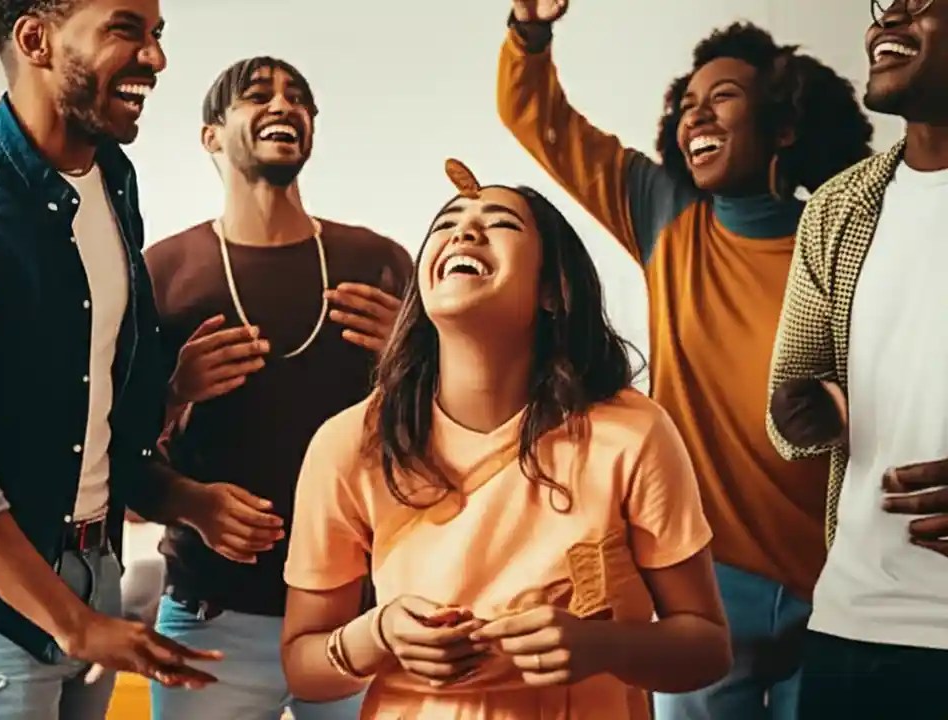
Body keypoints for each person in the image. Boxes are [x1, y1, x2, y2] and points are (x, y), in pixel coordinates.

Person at [497, 2, 874, 717]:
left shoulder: (839, 237)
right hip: (701, 583)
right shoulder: (664, 213)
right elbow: (541, 121)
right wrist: (529, 30)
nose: (695, 116)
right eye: (686, 105)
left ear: (783, 127)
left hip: (835, 581)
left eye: (722, 98)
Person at [279, 159, 731, 720]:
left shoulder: (633, 433)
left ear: (552, 290)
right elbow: (303, 665)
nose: (464, 232)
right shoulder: (350, 443)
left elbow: (708, 647)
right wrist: (378, 635)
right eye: (446, 224)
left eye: (501, 224)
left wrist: (603, 647)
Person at [0, 2, 226, 718]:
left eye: (157, 36)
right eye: (126, 29)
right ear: (36, 39)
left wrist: (180, 459)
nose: (155, 58)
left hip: (97, 568)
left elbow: (86, 407)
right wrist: (74, 623)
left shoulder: (114, 181)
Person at [144, 56, 413, 720]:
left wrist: (409, 362)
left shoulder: (377, 262)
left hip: (362, 616)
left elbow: (451, 431)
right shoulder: (166, 272)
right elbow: (110, 454)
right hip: (213, 618)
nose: (282, 105)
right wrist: (178, 406)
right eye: (256, 95)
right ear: (211, 136)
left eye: (299, 98)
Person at [767, 1, 948, 717]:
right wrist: (807, 408)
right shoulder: (839, 207)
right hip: (851, 626)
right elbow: (792, 400)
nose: (891, 14)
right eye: (885, 1)